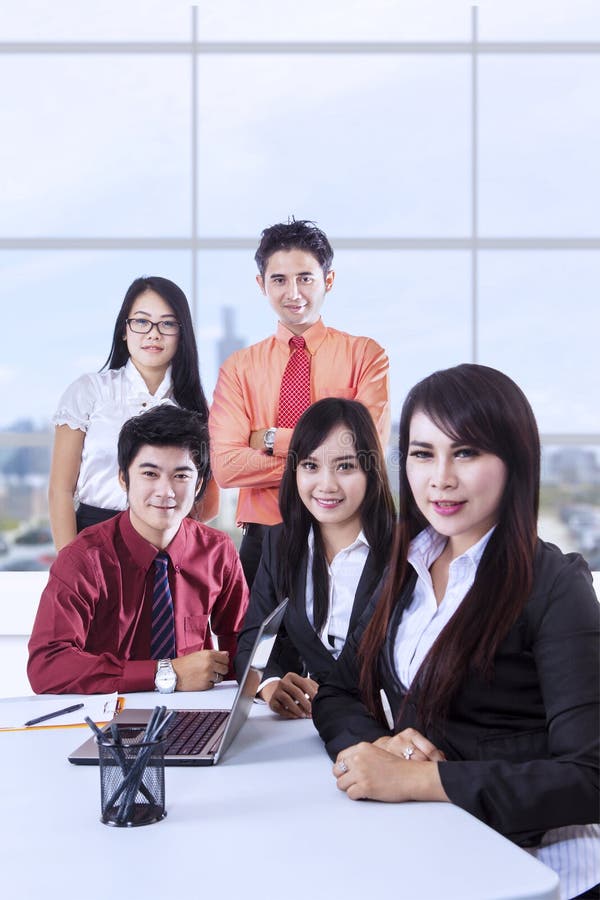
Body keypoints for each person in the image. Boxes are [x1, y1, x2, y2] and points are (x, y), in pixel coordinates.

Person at [313, 364, 599, 900]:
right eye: (423, 454)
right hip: (441, 846)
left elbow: (590, 778)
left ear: (513, 461)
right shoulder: (408, 565)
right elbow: (337, 690)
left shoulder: (555, 586)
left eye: (465, 452)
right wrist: (381, 747)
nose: (440, 477)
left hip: (539, 870)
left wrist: (419, 780)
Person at [209, 219, 390, 588]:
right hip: (264, 540)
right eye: (279, 280)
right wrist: (329, 460)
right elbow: (226, 467)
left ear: (328, 280)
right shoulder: (239, 368)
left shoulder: (366, 356)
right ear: (262, 285)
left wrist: (270, 439)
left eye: (305, 277)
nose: (293, 292)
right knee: (257, 646)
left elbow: (368, 450)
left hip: (345, 534)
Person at [28, 405, 248, 695]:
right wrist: (166, 673)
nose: (165, 491)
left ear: (199, 486)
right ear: (123, 479)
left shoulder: (217, 551)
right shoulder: (84, 558)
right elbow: (47, 665)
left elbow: (244, 643)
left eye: (181, 476)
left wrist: (266, 683)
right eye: (150, 474)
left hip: (197, 710)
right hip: (108, 716)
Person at [234, 398, 395, 719]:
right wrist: (271, 684)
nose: (327, 485)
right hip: (311, 722)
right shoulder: (280, 542)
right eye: (310, 466)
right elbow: (252, 638)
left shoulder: (404, 549)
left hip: (389, 723)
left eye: (345, 466)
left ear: (371, 469)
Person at [49, 275, 218, 552]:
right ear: (124, 329)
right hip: (93, 540)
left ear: (182, 332)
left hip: (166, 546)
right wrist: (69, 564)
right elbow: (60, 491)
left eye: (167, 323)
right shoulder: (89, 392)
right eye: (141, 321)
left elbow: (207, 502)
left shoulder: (195, 407)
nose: (153, 333)